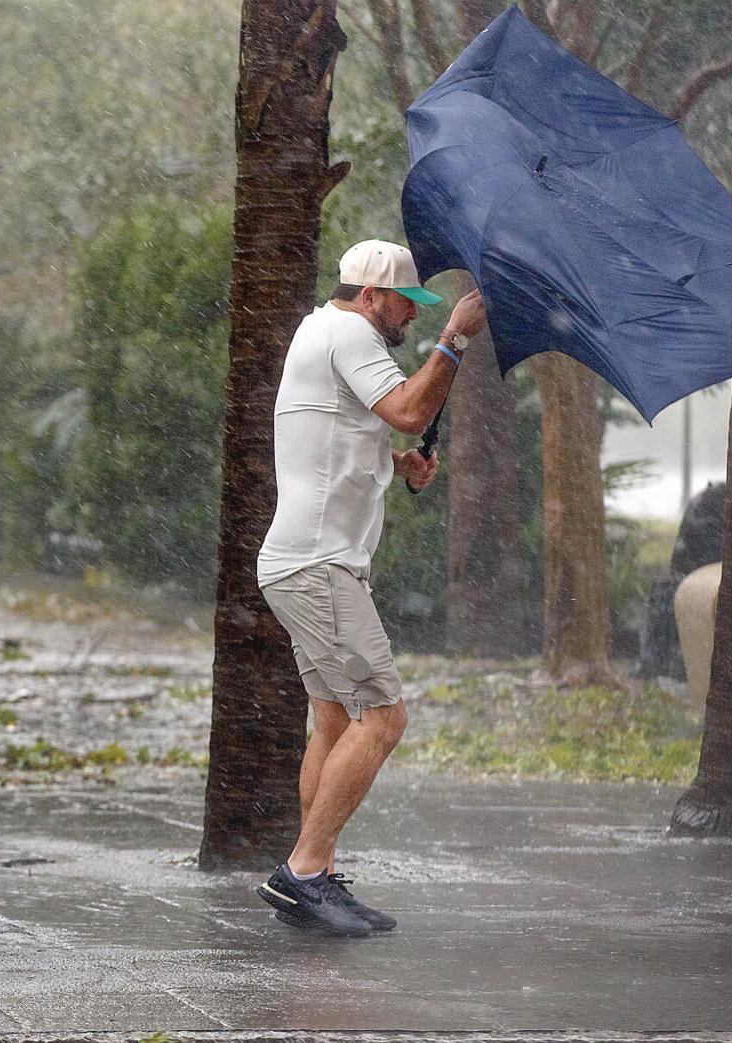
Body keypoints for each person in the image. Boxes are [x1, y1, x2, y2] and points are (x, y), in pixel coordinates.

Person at [255, 240, 486, 936]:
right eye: (403, 304)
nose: (410, 316)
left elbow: (333, 441)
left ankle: (315, 875)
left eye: (420, 310)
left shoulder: (316, 330)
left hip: (301, 559)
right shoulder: (353, 333)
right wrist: (454, 340)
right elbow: (411, 409)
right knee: (383, 717)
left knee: (333, 722)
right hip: (319, 564)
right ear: (369, 295)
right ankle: (301, 870)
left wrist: (397, 465)